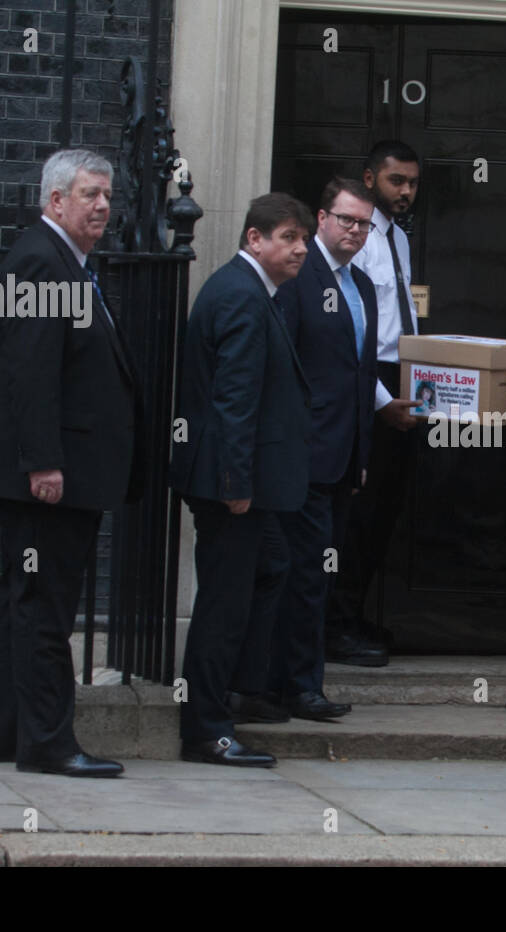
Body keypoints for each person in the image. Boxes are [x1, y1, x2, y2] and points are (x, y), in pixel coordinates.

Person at [0, 148, 141, 777]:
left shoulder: (65, 262)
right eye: (90, 194)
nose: (103, 206)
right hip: (45, 476)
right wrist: (44, 462)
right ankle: (48, 744)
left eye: (107, 195)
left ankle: (11, 736)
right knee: (44, 608)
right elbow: (30, 374)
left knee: (25, 601)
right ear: (55, 201)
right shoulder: (42, 262)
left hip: (52, 470)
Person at [168, 193, 313, 767]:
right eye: (288, 237)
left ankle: (241, 688)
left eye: (303, 238)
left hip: (250, 485)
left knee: (273, 566)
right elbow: (233, 399)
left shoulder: (252, 291)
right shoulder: (242, 297)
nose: (300, 248)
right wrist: (234, 483)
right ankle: (205, 728)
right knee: (222, 606)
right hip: (232, 487)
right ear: (255, 239)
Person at [269, 177, 379, 720]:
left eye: (364, 223)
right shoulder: (297, 275)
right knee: (303, 577)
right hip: (302, 457)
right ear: (322, 218)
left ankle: (299, 682)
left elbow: (357, 376)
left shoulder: (362, 285)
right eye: (347, 220)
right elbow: (283, 367)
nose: (356, 231)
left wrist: (361, 454)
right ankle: (298, 687)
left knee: (322, 575)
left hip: (342, 461)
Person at [326, 141, 423, 667]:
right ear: (369, 179)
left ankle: (352, 612)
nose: (405, 191)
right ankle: (333, 625)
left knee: (384, 509)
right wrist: (382, 398)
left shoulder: (400, 241)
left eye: (411, 182)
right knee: (356, 512)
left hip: (400, 375)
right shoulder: (355, 240)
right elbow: (350, 334)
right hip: (368, 382)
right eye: (395, 181)